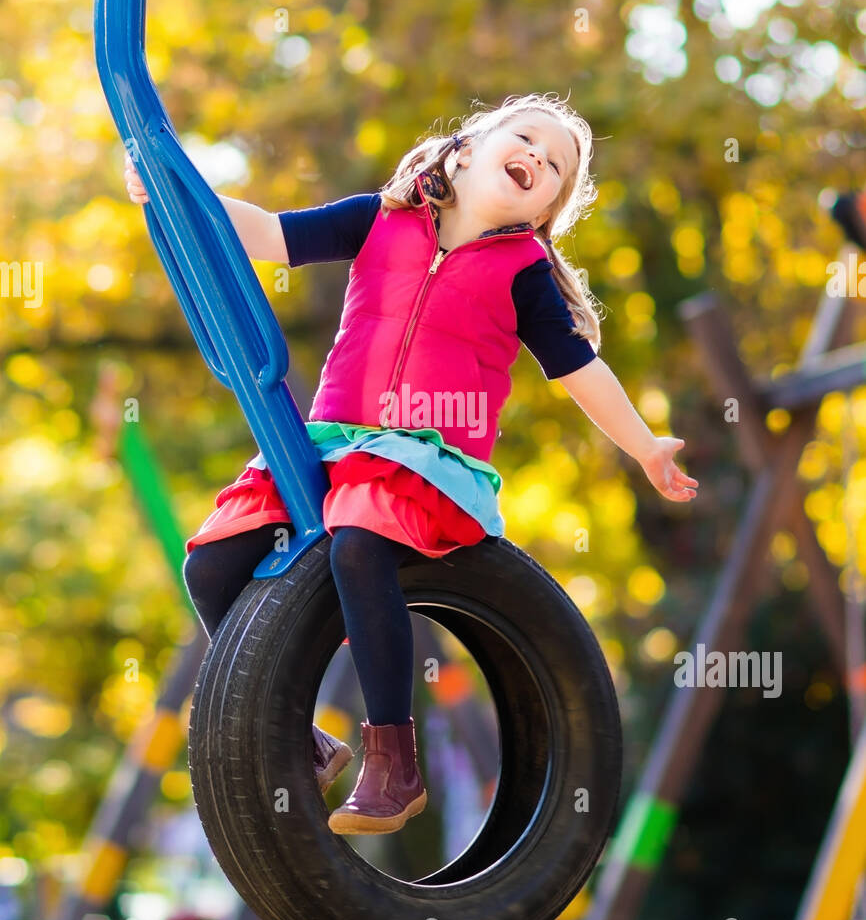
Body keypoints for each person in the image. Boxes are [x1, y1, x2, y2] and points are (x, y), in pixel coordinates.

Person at [124, 91, 697, 836]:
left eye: (556, 165)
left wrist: (645, 444)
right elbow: (268, 234)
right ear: (465, 149)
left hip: (426, 457)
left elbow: (578, 369)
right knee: (209, 566)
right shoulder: (380, 219)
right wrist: (179, 193)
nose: (539, 159)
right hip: (330, 441)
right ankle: (304, 738)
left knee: (358, 549)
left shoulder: (521, 270)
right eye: (527, 139)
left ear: (546, 208)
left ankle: (393, 763)